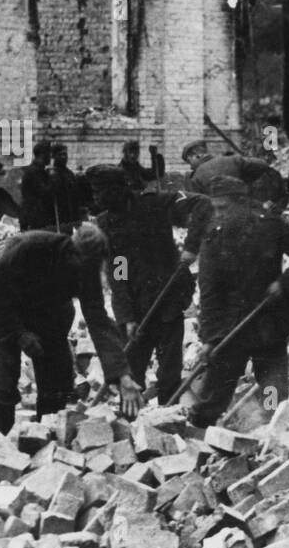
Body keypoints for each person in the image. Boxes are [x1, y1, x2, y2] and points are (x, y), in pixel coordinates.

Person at [0, 222, 143, 434]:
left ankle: (47, 439)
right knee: (0, 382)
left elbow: (98, 320)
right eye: (81, 265)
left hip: (49, 315)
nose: (85, 272)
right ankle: (1, 443)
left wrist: (123, 375)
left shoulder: (89, 266)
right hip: (1, 310)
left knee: (58, 385)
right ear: (73, 252)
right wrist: (19, 334)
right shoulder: (28, 247)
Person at [186, 177, 289, 429]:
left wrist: (284, 284)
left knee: (267, 386)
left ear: (240, 203)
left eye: (223, 208)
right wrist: (209, 338)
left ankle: (268, 430)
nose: (220, 214)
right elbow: (209, 292)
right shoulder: (218, 235)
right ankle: (198, 433)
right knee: (219, 391)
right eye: (217, 209)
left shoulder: (268, 225)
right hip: (237, 326)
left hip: (262, 321)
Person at [87, 166, 208, 405]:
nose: (95, 198)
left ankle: (169, 420)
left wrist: (192, 248)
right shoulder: (106, 224)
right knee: (131, 373)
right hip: (137, 306)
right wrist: (126, 316)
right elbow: (118, 271)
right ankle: (130, 428)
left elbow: (202, 203)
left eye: (99, 191)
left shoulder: (156, 203)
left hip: (168, 299)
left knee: (169, 373)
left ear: (117, 189)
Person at [19, 140, 56, 231]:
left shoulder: (38, 171)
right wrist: (53, 179)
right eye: (49, 153)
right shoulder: (34, 172)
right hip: (34, 220)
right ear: (43, 154)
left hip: (36, 219)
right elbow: (45, 193)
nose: (51, 157)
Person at [50, 143, 87, 232]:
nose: (64, 157)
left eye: (65, 154)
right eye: (60, 155)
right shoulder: (51, 174)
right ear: (53, 156)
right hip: (57, 216)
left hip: (70, 216)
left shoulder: (69, 174)